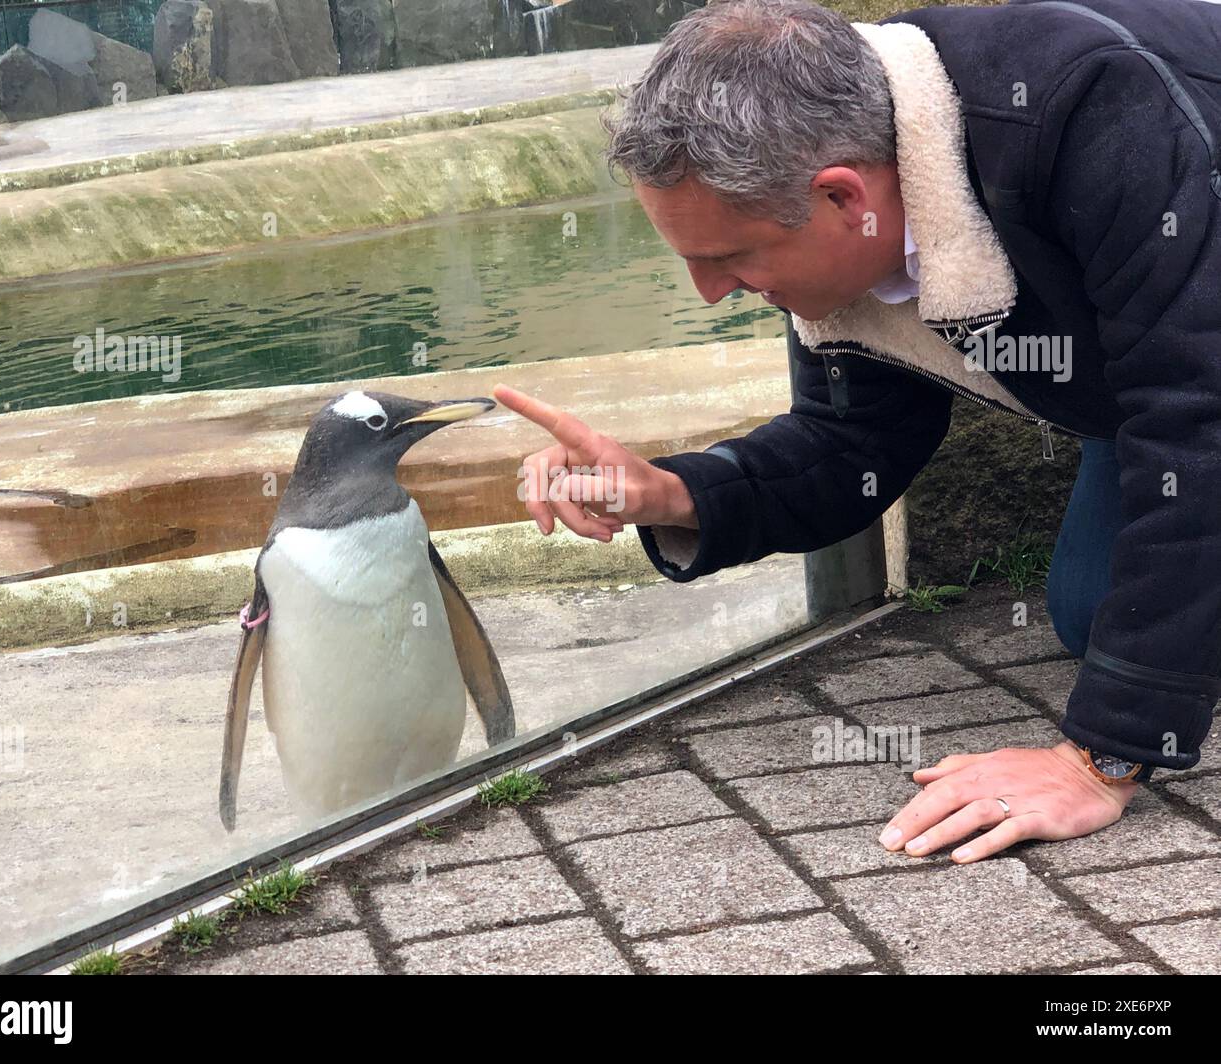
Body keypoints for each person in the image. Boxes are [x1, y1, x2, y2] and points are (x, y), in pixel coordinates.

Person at [496, 0, 1221, 862]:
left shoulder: (1095, 111)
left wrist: (1099, 761)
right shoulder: (833, 160)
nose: (709, 293)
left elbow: (1197, 424)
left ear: (842, 195)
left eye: (727, 259)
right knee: (1099, 612)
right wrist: (677, 492)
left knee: (1153, 654)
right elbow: (851, 445)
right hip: (1176, 368)